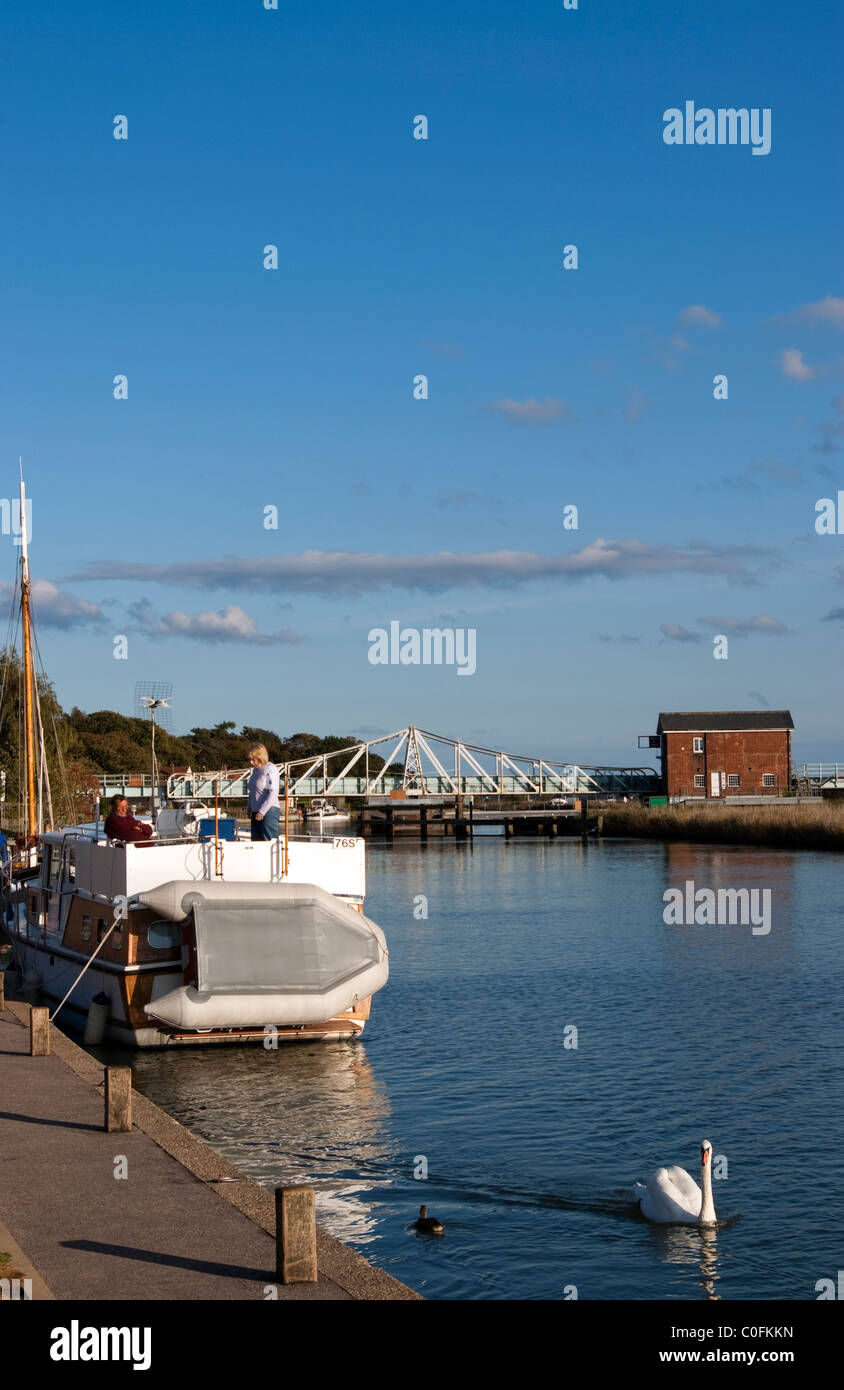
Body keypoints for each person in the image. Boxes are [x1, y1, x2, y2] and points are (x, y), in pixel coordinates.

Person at [247, 743, 280, 840]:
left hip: (268, 811)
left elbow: (273, 792)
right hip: (255, 811)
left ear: (260, 757)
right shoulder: (255, 771)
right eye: (250, 759)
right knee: (256, 841)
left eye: (253, 759)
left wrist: (262, 811)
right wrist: (249, 807)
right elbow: (252, 791)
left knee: (268, 840)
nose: (251, 762)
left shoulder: (270, 769)